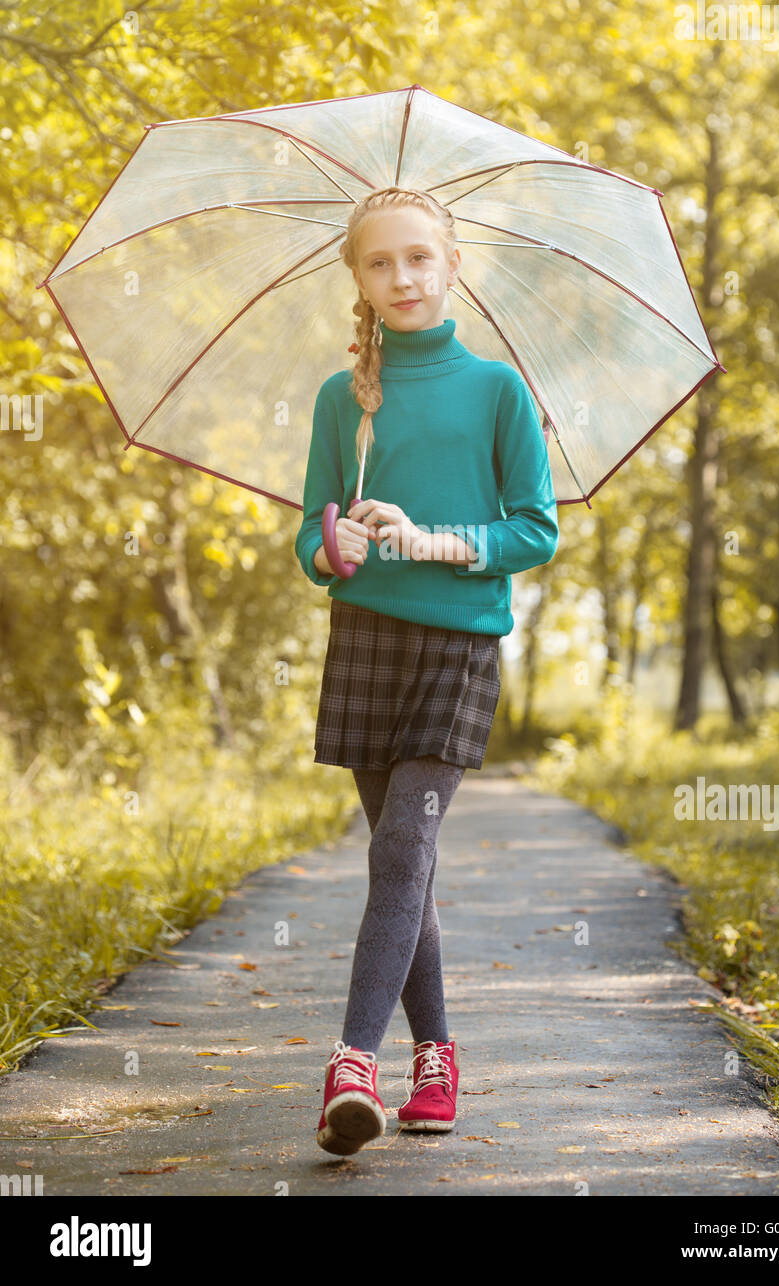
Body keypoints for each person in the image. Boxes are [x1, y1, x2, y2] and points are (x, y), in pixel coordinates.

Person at [293, 185, 559, 1157]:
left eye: (418, 257)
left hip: (458, 643)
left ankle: (350, 1064)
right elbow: (308, 525)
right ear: (356, 278)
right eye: (379, 262)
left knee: (406, 844)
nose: (401, 276)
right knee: (400, 863)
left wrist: (426, 538)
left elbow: (535, 530)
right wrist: (331, 549)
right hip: (365, 640)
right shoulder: (340, 398)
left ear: (451, 265)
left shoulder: (497, 390)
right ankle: (436, 1057)